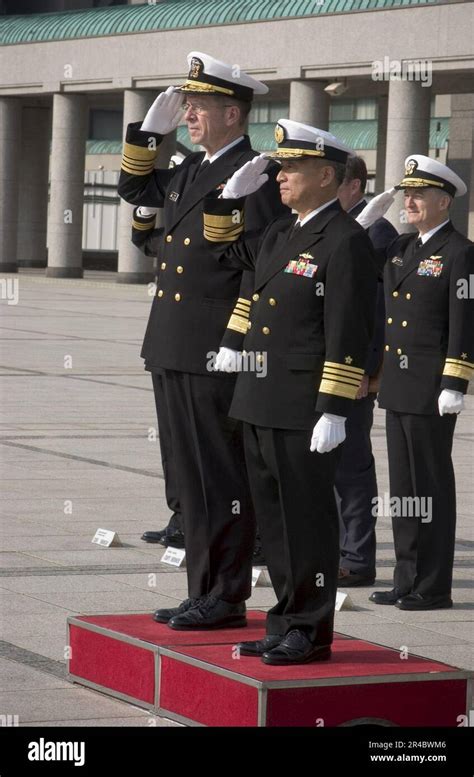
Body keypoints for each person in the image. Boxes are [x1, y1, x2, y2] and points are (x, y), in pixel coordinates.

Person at [118, 52, 286, 629]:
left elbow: (253, 266)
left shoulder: (254, 175)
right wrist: (148, 134)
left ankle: (227, 594)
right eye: (186, 106)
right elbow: (133, 186)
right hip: (171, 341)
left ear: (233, 114)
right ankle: (203, 590)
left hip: (214, 345)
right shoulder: (192, 168)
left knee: (220, 474)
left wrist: (237, 338)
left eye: (199, 107)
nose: (188, 114)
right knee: (189, 478)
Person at [203, 120, 378, 663]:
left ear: (327, 175)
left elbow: (348, 330)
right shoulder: (282, 231)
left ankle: (310, 627)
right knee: (274, 522)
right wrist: (228, 198)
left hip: (304, 404)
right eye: (280, 168)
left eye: (293, 168)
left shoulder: (346, 240)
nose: (281, 177)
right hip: (258, 397)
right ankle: (284, 619)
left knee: (307, 521)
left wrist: (334, 408)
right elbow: (238, 271)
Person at [370, 155, 473, 611]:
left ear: (443, 200)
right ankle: (406, 577)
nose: (408, 201)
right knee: (405, 490)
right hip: (398, 385)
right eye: (405, 193)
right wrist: (360, 223)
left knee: (430, 486)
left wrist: (456, 381)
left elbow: (464, 322)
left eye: (418, 194)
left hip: (432, 387)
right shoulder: (400, 248)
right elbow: (352, 267)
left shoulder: (460, 251)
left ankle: (433, 586)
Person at [336, 156, 398, 586]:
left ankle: (357, 560)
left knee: (352, 467)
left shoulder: (378, 235)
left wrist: (365, 373)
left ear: (355, 186)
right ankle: (337, 550)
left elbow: (376, 313)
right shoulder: (333, 229)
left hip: (352, 374)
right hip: (322, 370)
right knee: (328, 467)